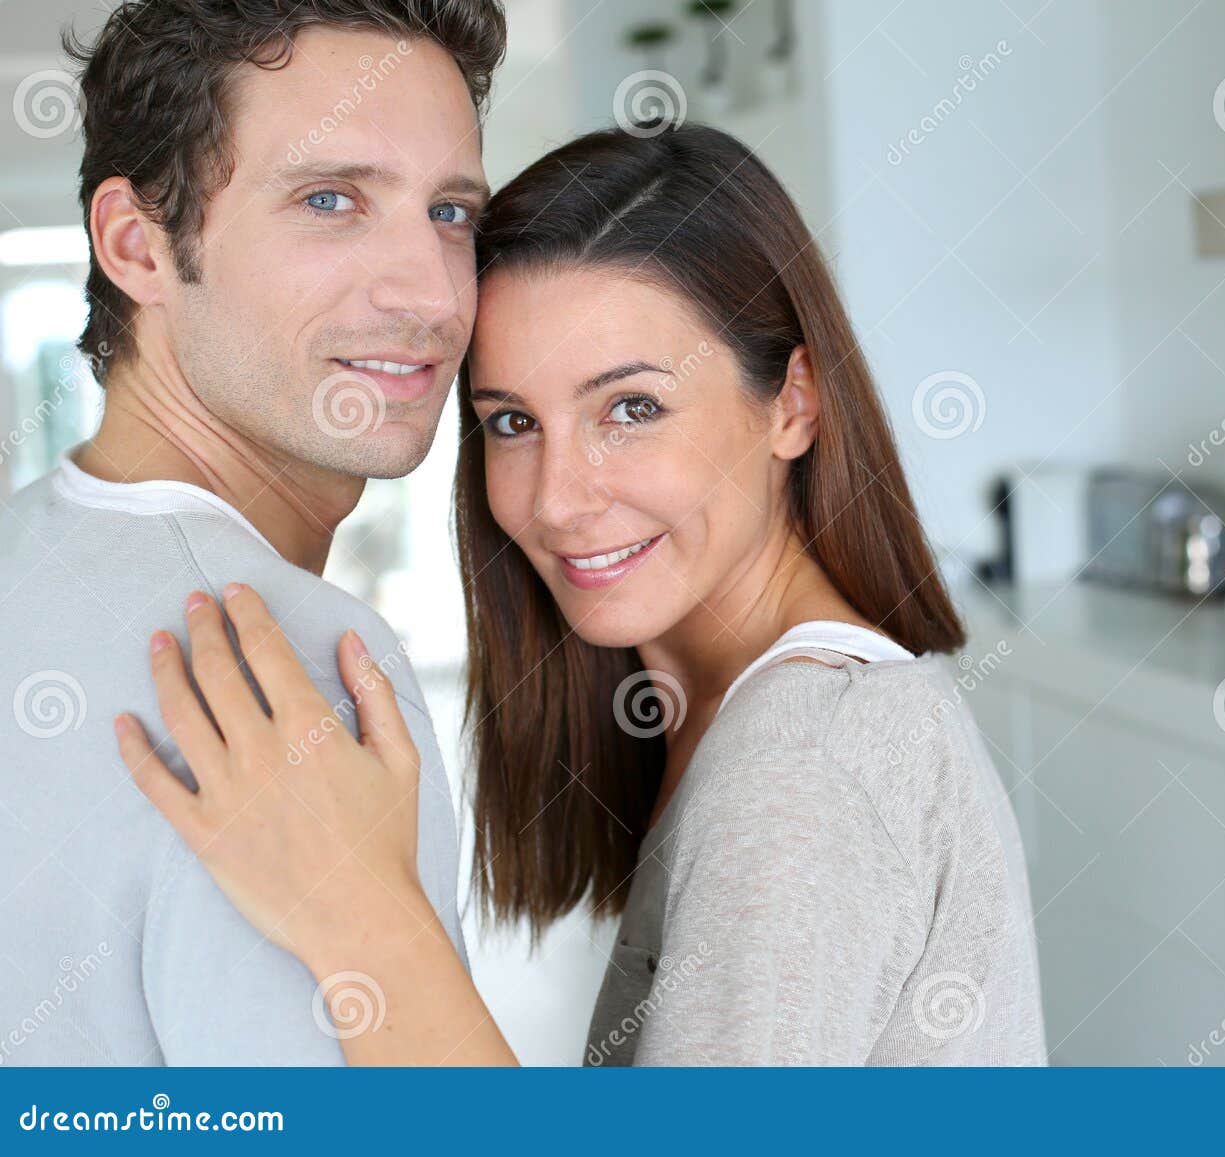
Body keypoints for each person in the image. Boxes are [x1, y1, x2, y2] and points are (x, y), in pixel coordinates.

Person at [119, 121, 1048, 1065]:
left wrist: (360, 911)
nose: (557, 499)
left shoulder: (804, 769)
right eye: (513, 422)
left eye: (632, 408)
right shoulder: (745, 718)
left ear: (793, 403)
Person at [0, 0, 506, 1065]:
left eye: (451, 213)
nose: (430, 292)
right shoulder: (296, 671)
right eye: (331, 199)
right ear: (137, 246)